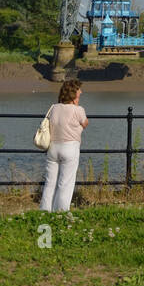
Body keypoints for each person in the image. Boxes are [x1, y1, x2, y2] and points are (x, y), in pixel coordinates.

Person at [40, 78, 88, 213]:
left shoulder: (54, 108)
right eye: (79, 90)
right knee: (65, 183)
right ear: (74, 94)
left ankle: (44, 210)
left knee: (50, 182)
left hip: (53, 148)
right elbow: (85, 123)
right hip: (70, 148)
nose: (81, 92)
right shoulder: (78, 110)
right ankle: (60, 212)